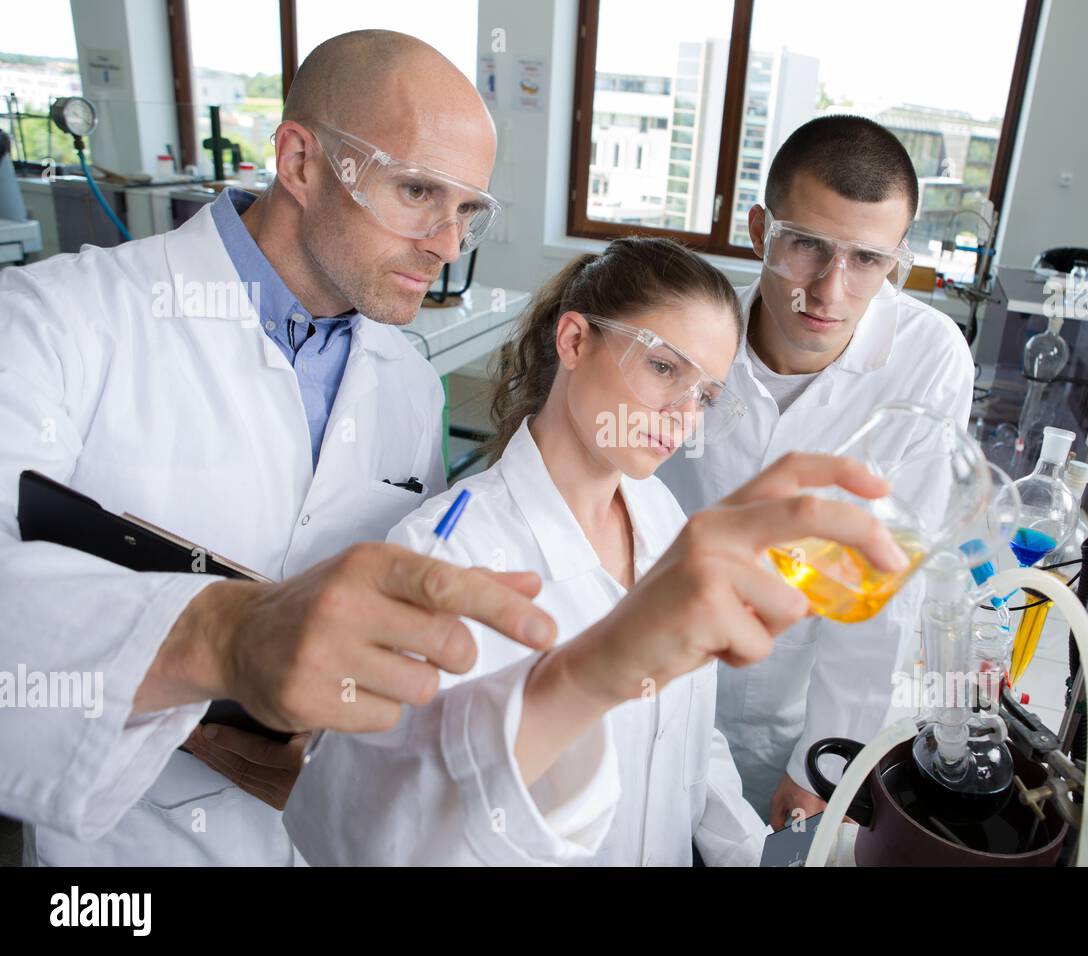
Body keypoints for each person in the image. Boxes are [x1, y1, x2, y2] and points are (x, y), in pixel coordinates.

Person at [0, 30, 905, 867]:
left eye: (468, 208)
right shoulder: (58, 323)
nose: (446, 244)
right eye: (416, 191)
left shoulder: (399, 380)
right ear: (300, 160)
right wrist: (215, 637)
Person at [285, 237, 802, 865]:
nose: (682, 415)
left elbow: (692, 740)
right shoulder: (447, 553)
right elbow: (374, 830)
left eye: (706, 396)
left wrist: (755, 856)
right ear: (576, 342)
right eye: (665, 368)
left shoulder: (664, 520)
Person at [658, 115, 975, 828]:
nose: (830, 291)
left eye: (868, 260)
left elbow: (886, 581)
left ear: (897, 258)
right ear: (757, 229)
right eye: (807, 245)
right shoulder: (688, 333)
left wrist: (824, 761)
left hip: (803, 708)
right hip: (660, 678)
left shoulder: (929, 358)